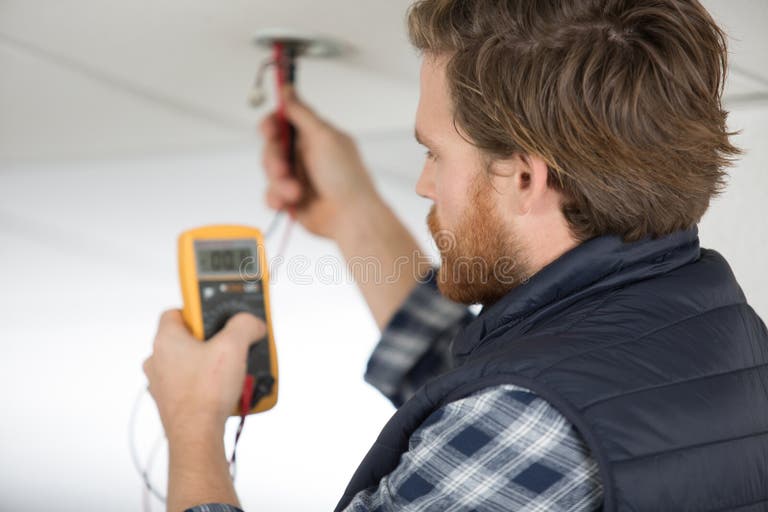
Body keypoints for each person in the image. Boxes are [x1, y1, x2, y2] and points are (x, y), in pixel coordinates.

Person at [142, 1, 768, 511]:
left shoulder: (526, 421)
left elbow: (512, 413)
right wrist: (354, 213)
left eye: (434, 153)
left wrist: (194, 426)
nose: (423, 184)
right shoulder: (716, 326)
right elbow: (507, 378)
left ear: (525, 179)